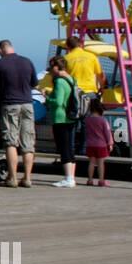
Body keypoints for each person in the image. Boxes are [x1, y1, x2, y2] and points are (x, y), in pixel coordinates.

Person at [0, 39, 38, 188]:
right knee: (28, 142)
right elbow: (34, 83)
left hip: (9, 104)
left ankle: (13, 178)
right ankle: (27, 178)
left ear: (0, 50)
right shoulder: (27, 62)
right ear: (12, 48)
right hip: (27, 104)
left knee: (11, 141)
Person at [63, 35, 104, 154]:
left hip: (74, 93)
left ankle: (70, 149)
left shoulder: (66, 58)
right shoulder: (91, 57)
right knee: (87, 124)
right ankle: (84, 149)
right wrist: (101, 88)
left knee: (72, 122)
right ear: (81, 44)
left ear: (68, 46)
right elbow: (100, 75)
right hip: (90, 93)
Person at [46, 56, 77, 188]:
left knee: (63, 148)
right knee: (69, 147)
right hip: (70, 117)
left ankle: (68, 178)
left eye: (51, 67)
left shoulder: (59, 81)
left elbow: (58, 102)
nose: (50, 71)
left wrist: (47, 98)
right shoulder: (71, 79)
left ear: (57, 67)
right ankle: (71, 177)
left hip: (60, 118)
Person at [83, 98, 112, 187]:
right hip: (101, 145)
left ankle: (90, 180)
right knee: (100, 163)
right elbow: (107, 132)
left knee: (91, 162)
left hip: (90, 144)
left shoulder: (87, 120)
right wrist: (110, 143)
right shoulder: (103, 120)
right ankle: (101, 181)